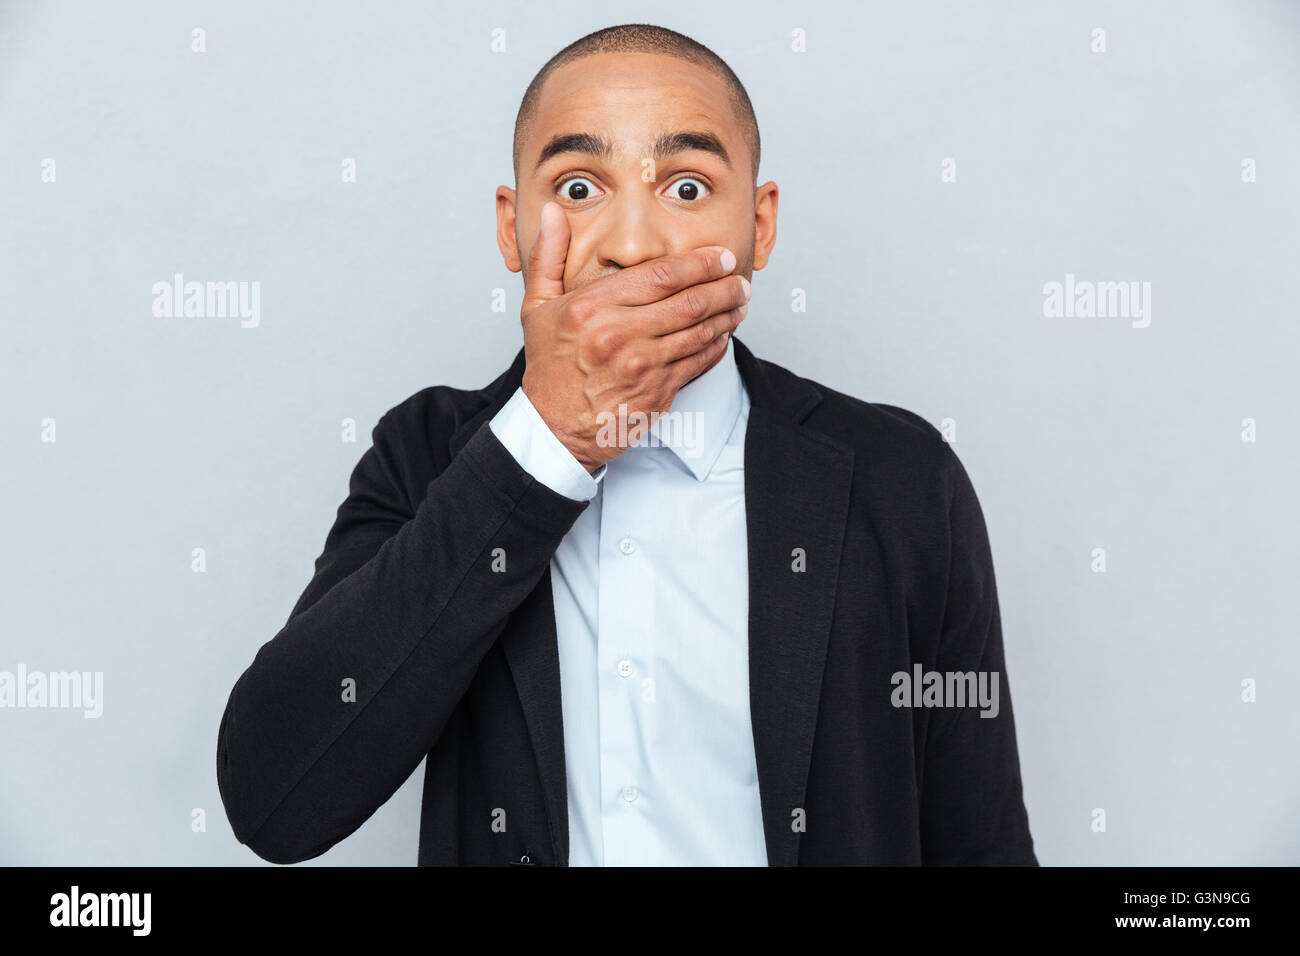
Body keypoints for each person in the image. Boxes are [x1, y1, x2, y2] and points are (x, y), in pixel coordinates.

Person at [216, 22, 1037, 866]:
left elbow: (980, 842)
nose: (633, 245)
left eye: (686, 188)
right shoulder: (427, 454)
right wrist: (548, 441)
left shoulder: (901, 480)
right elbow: (275, 799)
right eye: (578, 188)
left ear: (760, 224)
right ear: (511, 230)